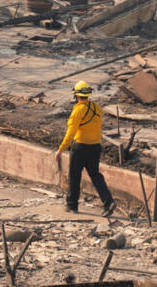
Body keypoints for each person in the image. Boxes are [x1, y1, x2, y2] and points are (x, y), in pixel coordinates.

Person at [55, 80, 116, 216]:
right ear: (87, 95)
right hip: (95, 146)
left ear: (76, 95)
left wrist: (61, 150)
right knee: (95, 175)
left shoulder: (78, 110)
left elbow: (70, 133)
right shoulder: (97, 107)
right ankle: (108, 201)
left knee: (74, 176)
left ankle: (72, 205)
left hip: (80, 147)